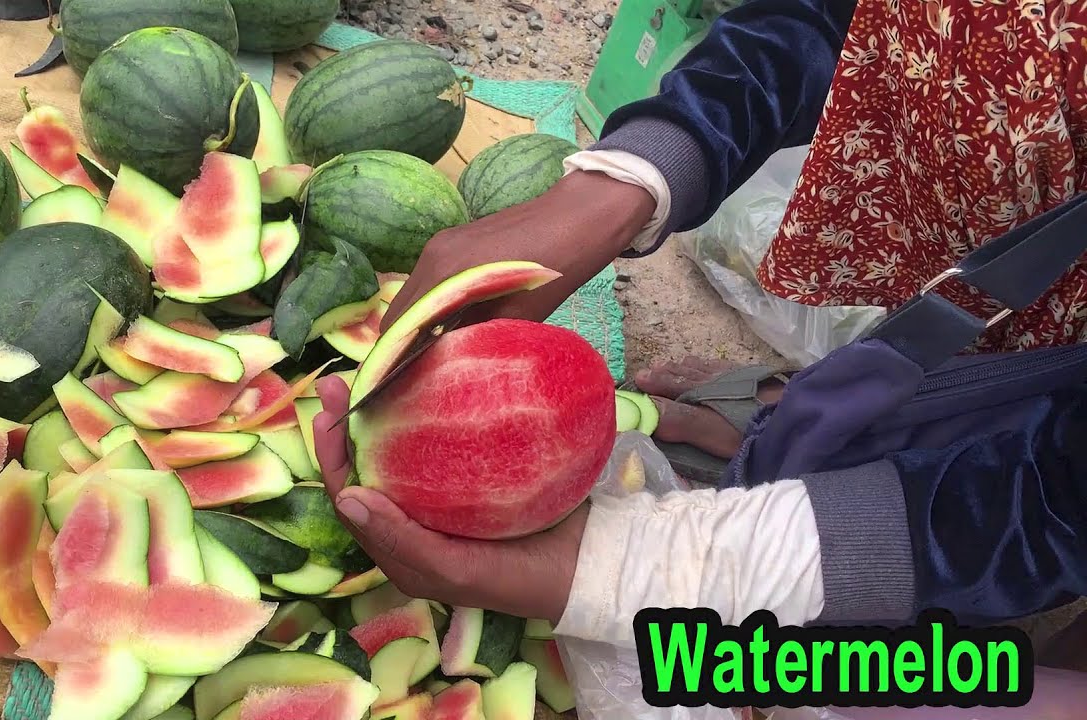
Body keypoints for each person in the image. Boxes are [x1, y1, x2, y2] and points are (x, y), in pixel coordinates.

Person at [315, 0, 1087, 669]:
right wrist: (633, 176)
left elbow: (1062, 504)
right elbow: (835, 18)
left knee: (974, 673)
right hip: (1004, 283)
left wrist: (670, 570)